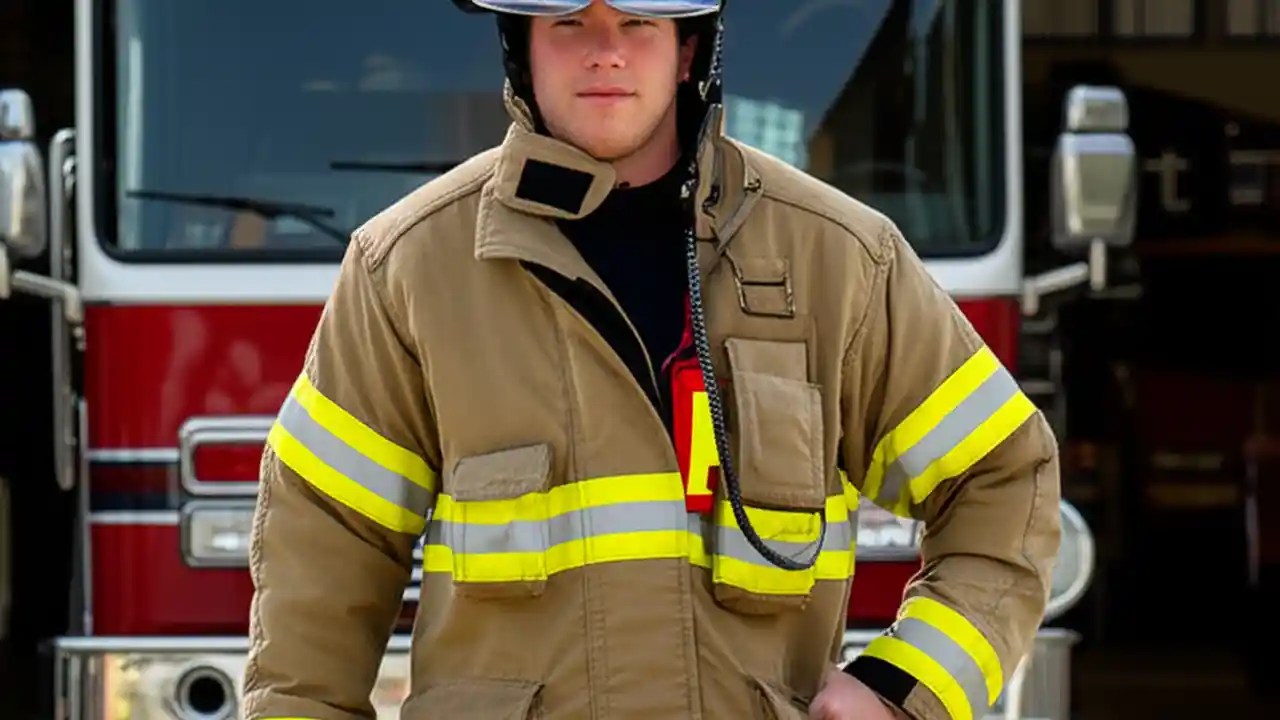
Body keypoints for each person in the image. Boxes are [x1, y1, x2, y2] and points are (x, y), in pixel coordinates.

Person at [241, 1, 1062, 719]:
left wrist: (903, 684)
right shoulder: (411, 271)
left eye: (639, 22)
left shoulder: (840, 261)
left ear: (690, 48)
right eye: (568, 24)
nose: (605, 51)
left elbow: (1003, 481)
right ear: (520, 46)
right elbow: (321, 564)